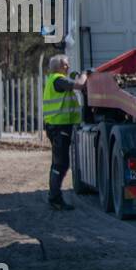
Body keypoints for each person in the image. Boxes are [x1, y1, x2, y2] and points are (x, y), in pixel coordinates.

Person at [42, 54, 86, 210]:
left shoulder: (53, 80)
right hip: (59, 127)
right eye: (66, 64)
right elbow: (79, 85)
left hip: (56, 126)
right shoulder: (58, 80)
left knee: (58, 163)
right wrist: (85, 74)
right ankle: (54, 198)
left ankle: (54, 197)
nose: (68, 67)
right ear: (59, 67)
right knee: (60, 164)